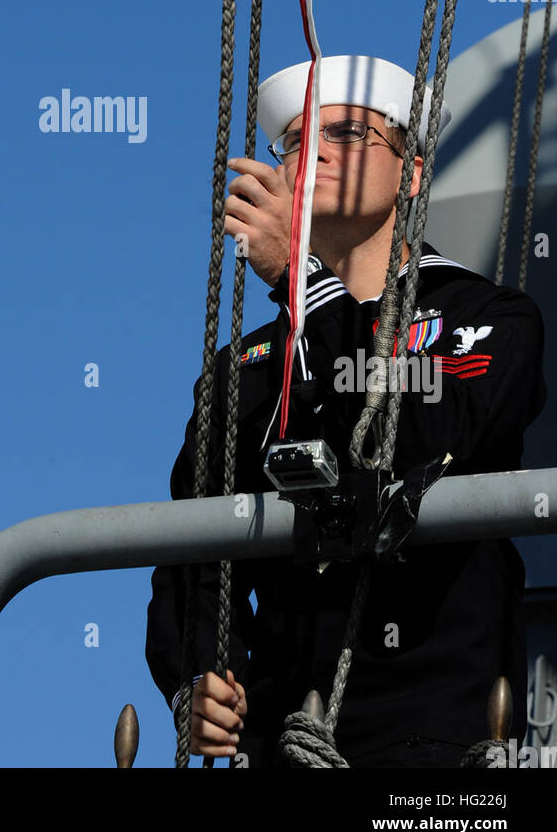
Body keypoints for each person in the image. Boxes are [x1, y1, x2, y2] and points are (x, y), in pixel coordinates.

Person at [145, 55, 548, 768]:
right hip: (281, 740)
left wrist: (304, 285)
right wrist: (196, 676)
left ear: (414, 172)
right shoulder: (246, 366)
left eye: (352, 134)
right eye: (299, 141)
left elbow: (421, 435)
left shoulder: (487, 317)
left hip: (438, 739)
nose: (319, 152)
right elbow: (195, 550)